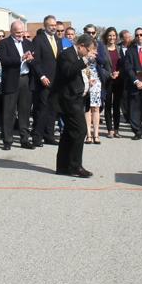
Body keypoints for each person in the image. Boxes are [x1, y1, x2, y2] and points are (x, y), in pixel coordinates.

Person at [51, 33, 96, 178]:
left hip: (76, 97)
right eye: (88, 50)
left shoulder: (77, 57)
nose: (89, 53)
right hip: (68, 99)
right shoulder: (67, 54)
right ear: (81, 46)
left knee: (69, 132)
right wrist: (84, 60)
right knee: (80, 130)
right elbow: (68, 71)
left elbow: (78, 73)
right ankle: (75, 166)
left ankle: (63, 166)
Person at [0, 20, 35, 150]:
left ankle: (24, 139)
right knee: (9, 111)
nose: (20, 35)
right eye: (18, 32)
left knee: (24, 111)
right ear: (12, 31)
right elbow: (4, 61)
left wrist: (31, 60)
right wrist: (21, 58)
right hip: (11, 80)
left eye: (22, 32)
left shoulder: (28, 43)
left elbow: (34, 61)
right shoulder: (3, 43)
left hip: (25, 79)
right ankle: (7, 140)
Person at [30, 15, 61, 146]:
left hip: (56, 80)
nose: (53, 27)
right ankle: (37, 137)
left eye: (55, 25)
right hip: (43, 81)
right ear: (45, 26)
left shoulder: (58, 39)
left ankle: (49, 136)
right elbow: (35, 61)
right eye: (51, 25)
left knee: (53, 109)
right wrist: (42, 76)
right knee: (41, 109)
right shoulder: (38, 39)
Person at [102, 27, 123, 138]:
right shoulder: (103, 49)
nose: (112, 37)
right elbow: (100, 65)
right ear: (106, 36)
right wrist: (109, 74)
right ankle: (109, 129)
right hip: (107, 80)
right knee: (108, 105)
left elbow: (124, 64)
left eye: (114, 35)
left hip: (118, 80)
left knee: (117, 105)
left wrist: (118, 72)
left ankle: (116, 129)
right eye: (110, 35)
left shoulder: (119, 49)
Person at [84, 52, 102, 144]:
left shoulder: (99, 51)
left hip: (97, 84)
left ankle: (96, 134)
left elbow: (104, 64)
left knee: (96, 108)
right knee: (87, 109)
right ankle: (88, 135)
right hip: (86, 82)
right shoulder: (84, 51)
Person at [118, 29, 133, 124]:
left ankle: (133, 115)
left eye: (129, 37)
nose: (128, 39)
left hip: (132, 76)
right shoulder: (118, 48)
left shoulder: (134, 47)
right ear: (122, 39)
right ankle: (127, 115)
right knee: (123, 97)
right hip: (121, 76)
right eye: (126, 37)